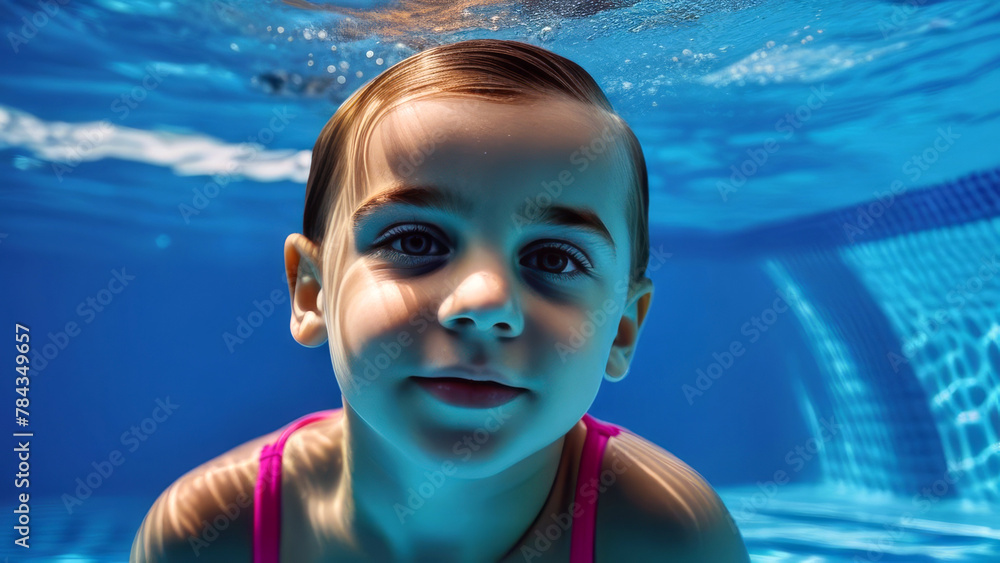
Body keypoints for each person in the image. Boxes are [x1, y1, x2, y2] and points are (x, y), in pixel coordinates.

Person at [130, 39, 750, 563]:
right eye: (416, 240)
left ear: (622, 329)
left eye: (554, 259)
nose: (482, 301)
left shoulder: (668, 537)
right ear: (311, 290)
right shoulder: (205, 534)